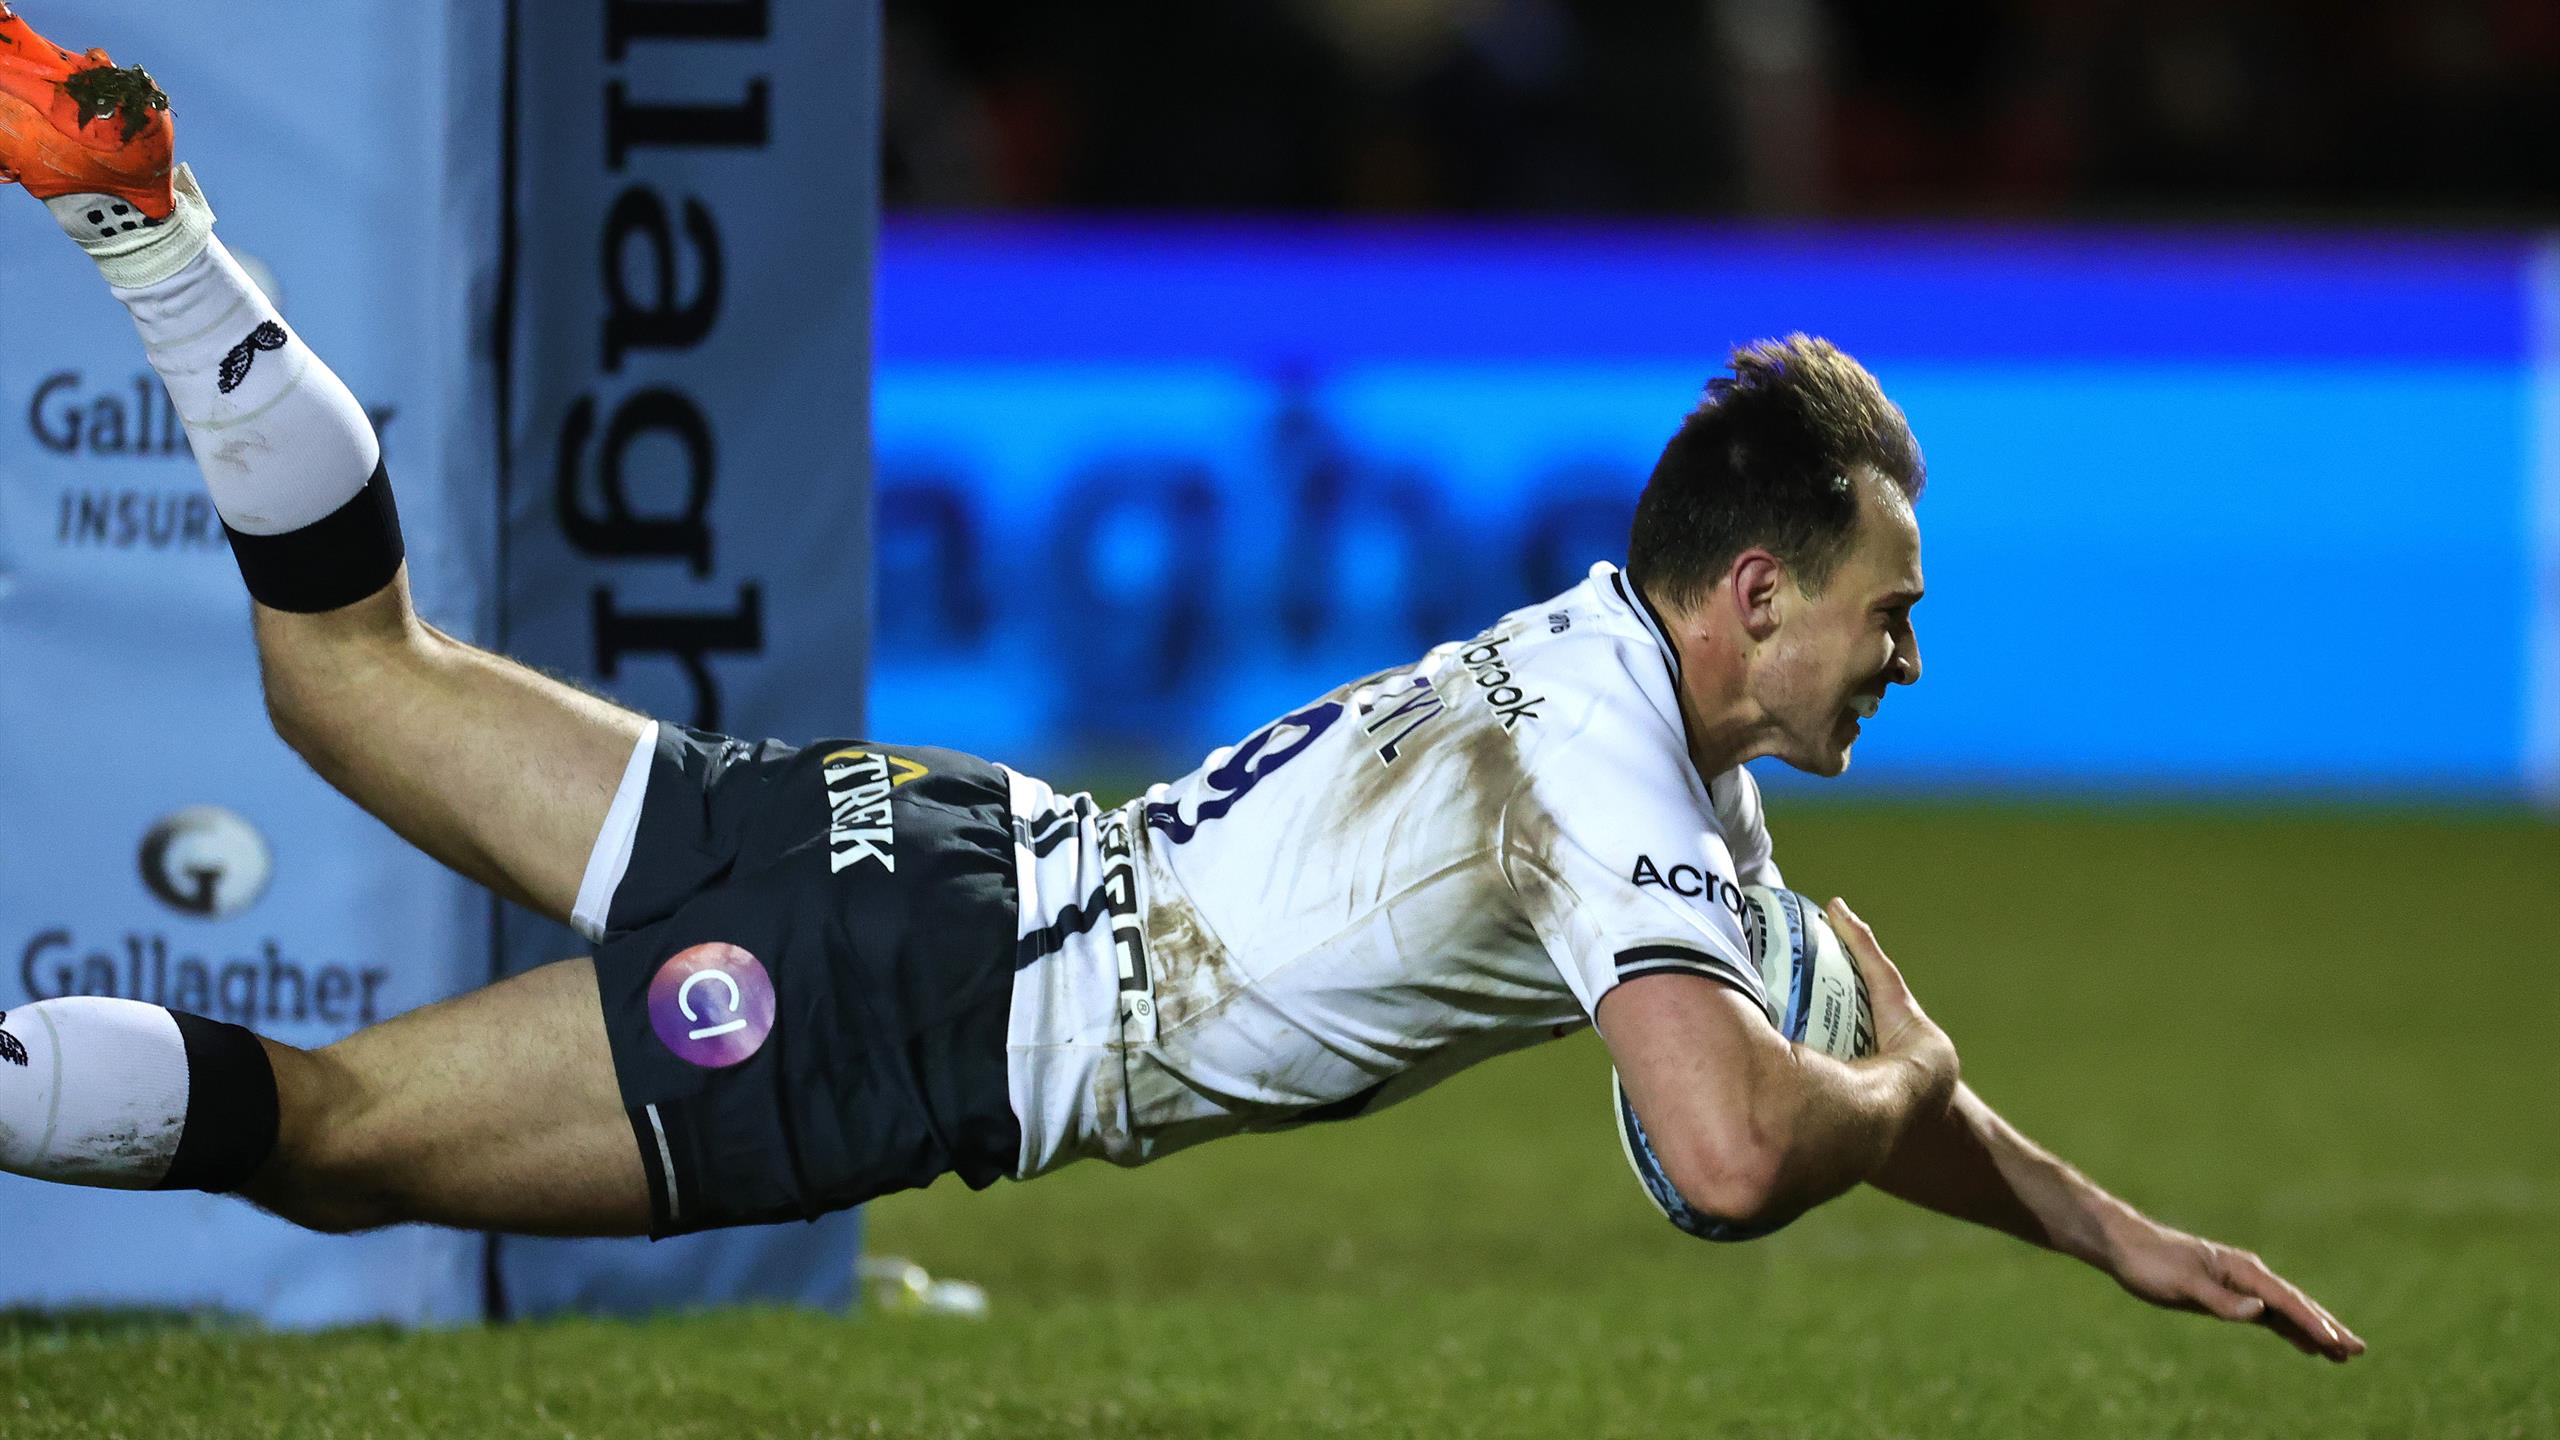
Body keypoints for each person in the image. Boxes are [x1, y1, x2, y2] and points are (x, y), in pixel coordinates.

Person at [0, 6, 2361, 1360]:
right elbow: (1745, 1143)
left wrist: (2105, 1230)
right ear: (1750, 593)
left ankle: (144, 223)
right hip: (923, 1008)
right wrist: (1893, 1084)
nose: (1906, 658)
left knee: (345, 671)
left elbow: (1807, 1048)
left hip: (909, 843)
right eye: (1887, 611)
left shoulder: (1644, 754)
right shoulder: (1606, 783)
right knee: (317, 1138)